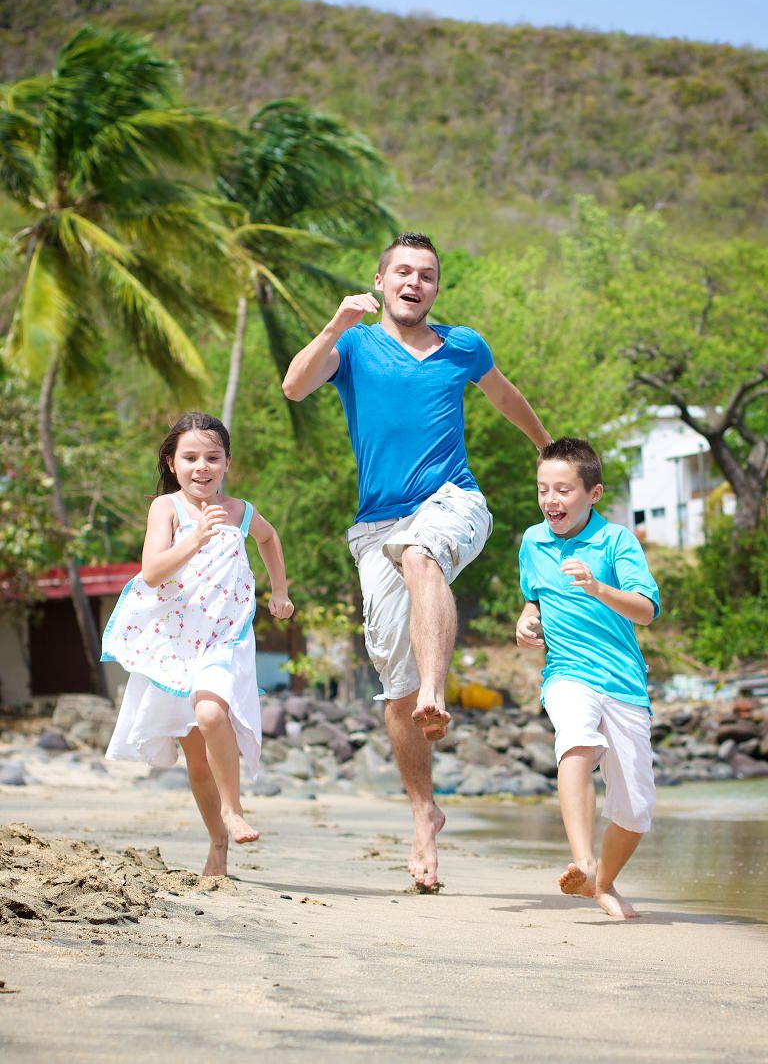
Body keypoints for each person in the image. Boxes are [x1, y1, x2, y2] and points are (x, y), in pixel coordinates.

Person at [282, 232, 550, 890]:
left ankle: (437, 687)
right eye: (403, 271)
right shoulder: (353, 345)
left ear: (435, 289)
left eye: (426, 274)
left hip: (452, 499)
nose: (415, 282)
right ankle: (424, 811)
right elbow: (293, 386)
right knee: (395, 694)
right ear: (380, 282)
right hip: (375, 526)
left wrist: (549, 451)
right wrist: (335, 324)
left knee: (422, 553)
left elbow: (506, 396)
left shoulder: (462, 346)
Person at [103, 412, 293, 877]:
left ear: (228, 462)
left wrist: (280, 590)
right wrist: (198, 538)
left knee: (211, 712)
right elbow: (151, 572)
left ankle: (233, 808)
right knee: (196, 757)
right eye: (190, 458)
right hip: (175, 643)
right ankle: (217, 845)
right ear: (172, 463)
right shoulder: (166, 509)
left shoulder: (241, 511)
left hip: (224, 637)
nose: (201, 467)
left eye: (212, 457)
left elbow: (269, 538)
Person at [516, 437, 660, 919]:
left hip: (624, 683)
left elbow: (645, 610)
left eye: (562, 490)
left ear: (593, 494)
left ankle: (602, 883)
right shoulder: (533, 542)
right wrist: (526, 618)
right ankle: (583, 860)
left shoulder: (617, 540)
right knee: (575, 740)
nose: (550, 501)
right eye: (542, 490)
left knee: (637, 809)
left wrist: (598, 588)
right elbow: (534, 597)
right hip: (568, 673)